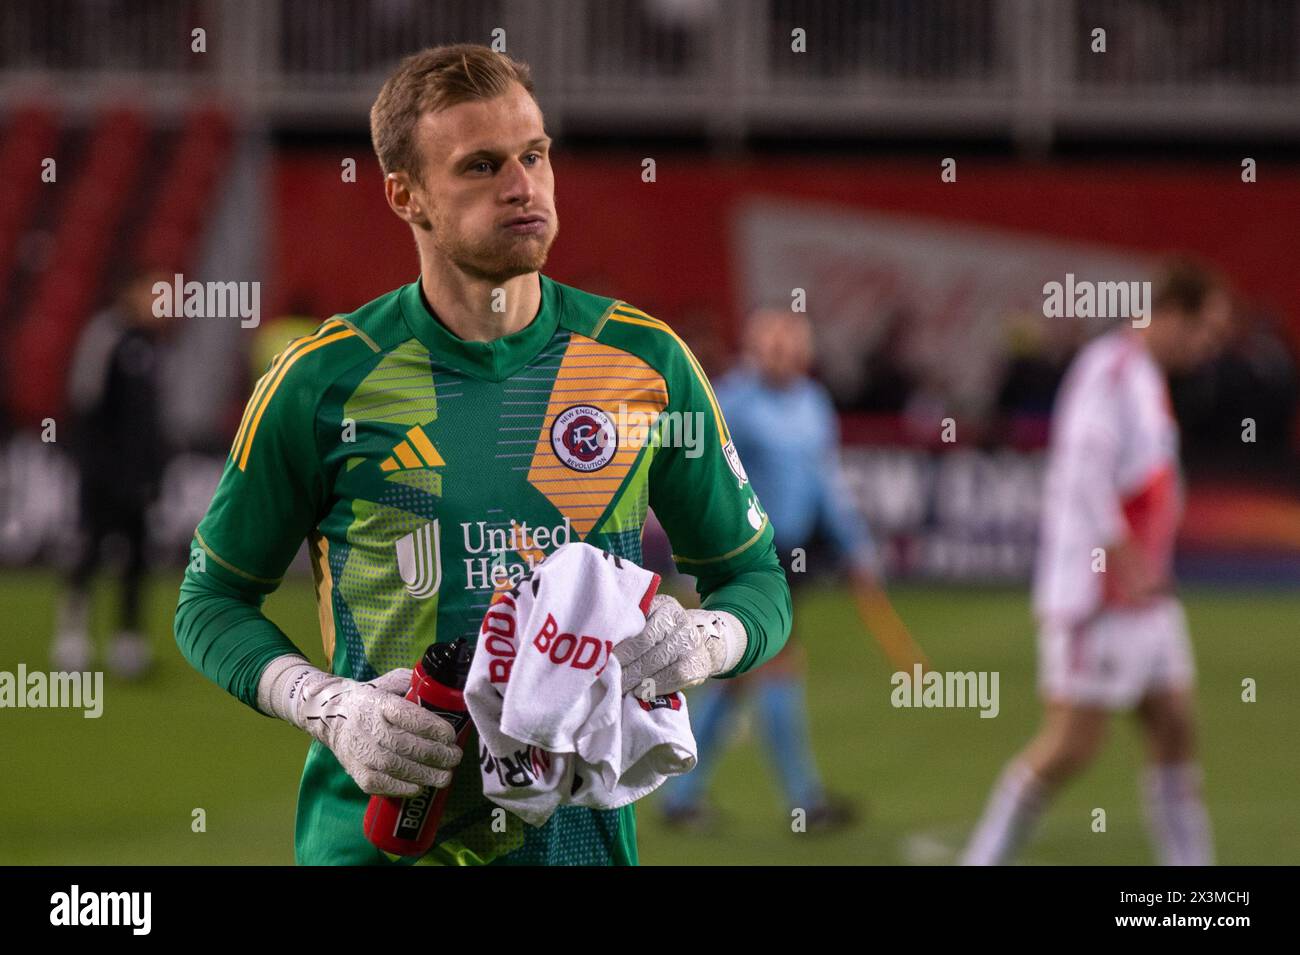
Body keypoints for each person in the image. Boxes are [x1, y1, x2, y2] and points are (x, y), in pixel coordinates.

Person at [173, 44, 791, 866]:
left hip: (580, 848)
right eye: (481, 165)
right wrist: (328, 706)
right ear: (406, 195)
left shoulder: (646, 363)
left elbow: (757, 579)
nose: (522, 184)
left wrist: (709, 638)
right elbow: (209, 601)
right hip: (377, 848)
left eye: (534, 154)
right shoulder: (319, 382)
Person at [962, 259, 1231, 865]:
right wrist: (1119, 556)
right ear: (1170, 316)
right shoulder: (1110, 370)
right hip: (1101, 592)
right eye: (1205, 330)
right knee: (1072, 746)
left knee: (1175, 723)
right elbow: (1083, 470)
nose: (1209, 346)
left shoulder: (1142, 375)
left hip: (1145, 594)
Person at [660, 307, 897, 832]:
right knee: (776, 665)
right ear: (751, 345)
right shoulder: (729, 401)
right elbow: (691, 480)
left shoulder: (813, 403)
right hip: (736, 560)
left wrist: (856, 547)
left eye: (790, 342)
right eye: (770, 342)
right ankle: (804, 803)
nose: (780, 351)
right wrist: (691, 561)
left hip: (789, 557)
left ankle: (679, 797)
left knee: (735, 678)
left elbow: (825, 483)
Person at [53, 270, 172, 678]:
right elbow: (85, 402)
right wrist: (97, 467)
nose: (162, 303)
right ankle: (72, 637)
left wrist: (154, 470)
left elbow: (152, 419)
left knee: (138, 557)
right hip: (103, 473)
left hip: (138, 477)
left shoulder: (153, 346)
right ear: (130, 292)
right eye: (154, 293)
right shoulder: (105, 335)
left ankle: (128, 641)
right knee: (89, 550)